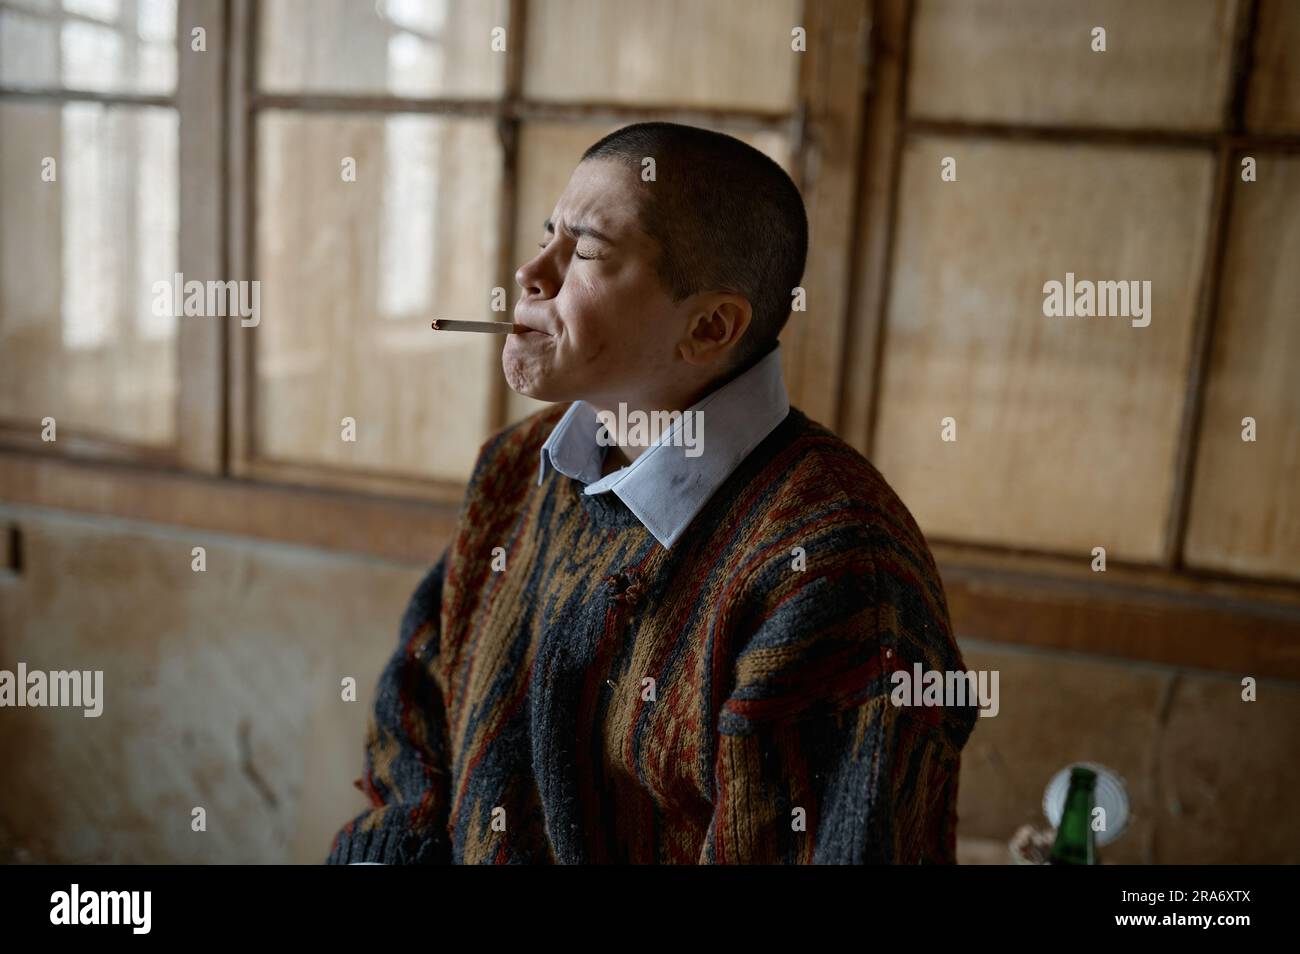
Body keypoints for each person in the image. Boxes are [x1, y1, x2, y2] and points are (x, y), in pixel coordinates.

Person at [326, 121, 978, 865]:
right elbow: (422, 698)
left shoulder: (837, 569)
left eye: (589, 251)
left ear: (708, 326)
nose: (533, 273)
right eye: (548, 235)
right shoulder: (517, 466)